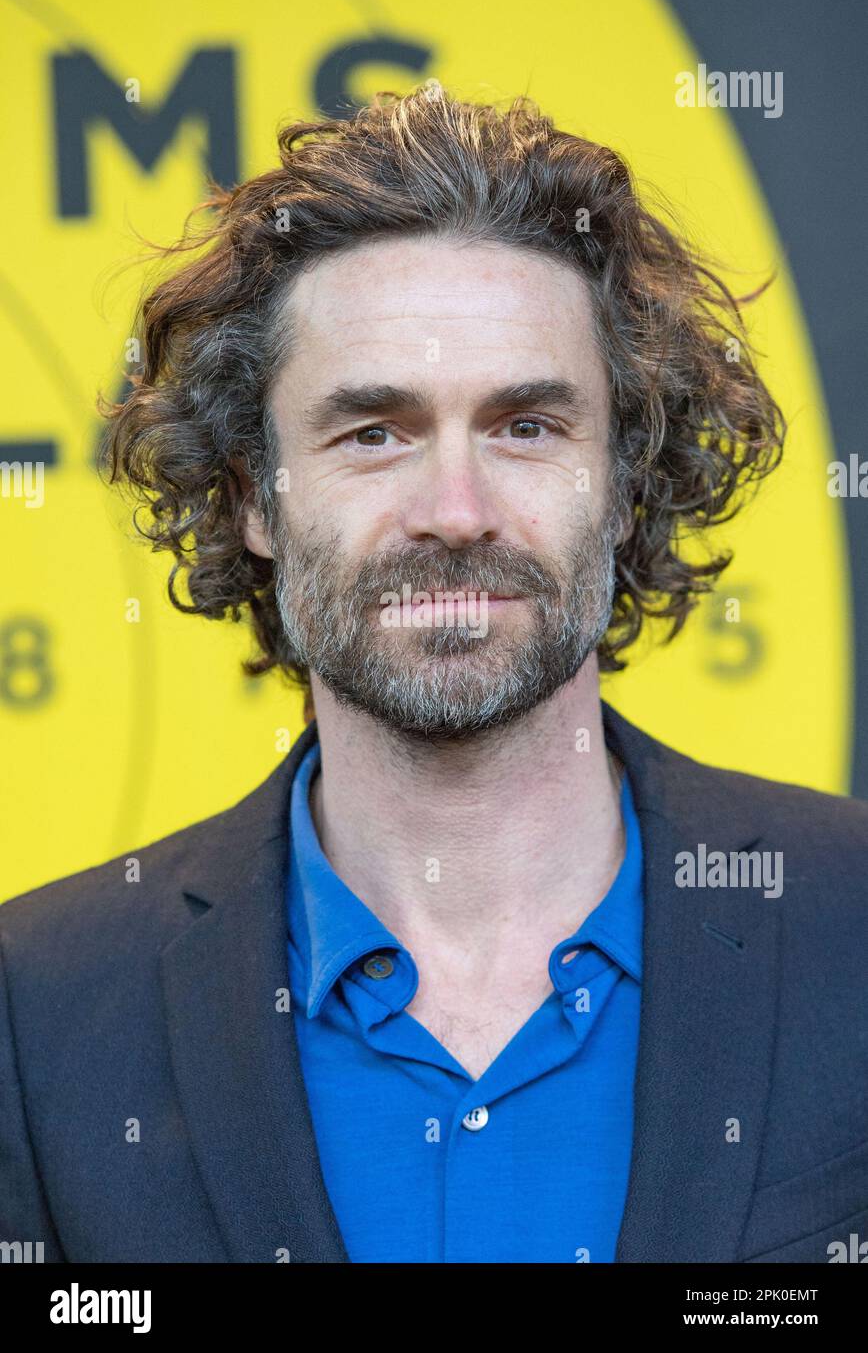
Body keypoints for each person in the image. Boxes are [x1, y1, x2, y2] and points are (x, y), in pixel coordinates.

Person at [2, 86, 866, 1264]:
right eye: (373, 432)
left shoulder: (849, 920)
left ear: (620, 484)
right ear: (254, 494)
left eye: (526, 427)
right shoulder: (39, 1004)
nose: (454, 512)